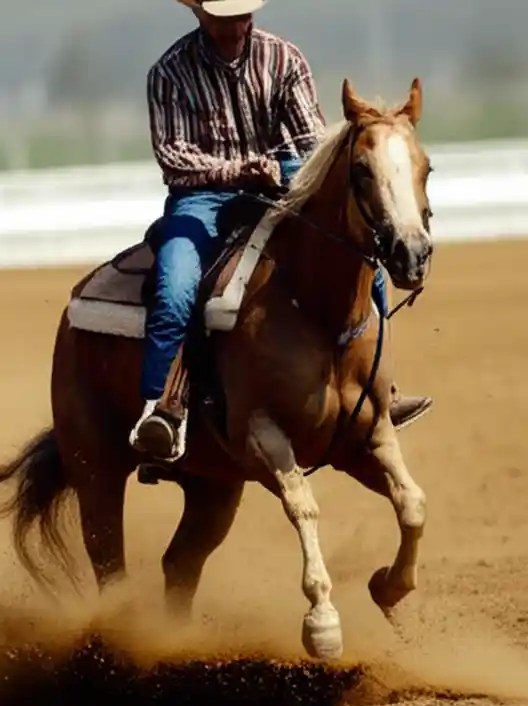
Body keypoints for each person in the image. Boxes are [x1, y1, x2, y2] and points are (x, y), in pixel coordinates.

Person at [130, 0, 433, 461]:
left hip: (281, 181)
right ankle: (163, 409)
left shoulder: (284, 59)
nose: (235, 28)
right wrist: (243, 168)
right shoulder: (169, 73)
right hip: (202, 199)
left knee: (362, 254)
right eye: (223, 18)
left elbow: (311, 140)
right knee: (176, 285)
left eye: (241, 16)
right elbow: (175, 158)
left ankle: (381, 388)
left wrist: (288, 172)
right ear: (200, 16)